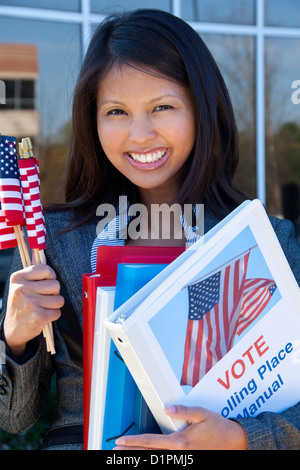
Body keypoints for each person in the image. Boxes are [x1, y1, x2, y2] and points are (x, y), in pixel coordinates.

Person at [0, 9, 299, 450]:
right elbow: (15, 418)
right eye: (116, 111)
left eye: (162, 106)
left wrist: (240, 437)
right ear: (92, 120)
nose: (140, 134)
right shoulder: (58, 241)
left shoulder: (265, 242)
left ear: (202, 109)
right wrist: (15, 339)